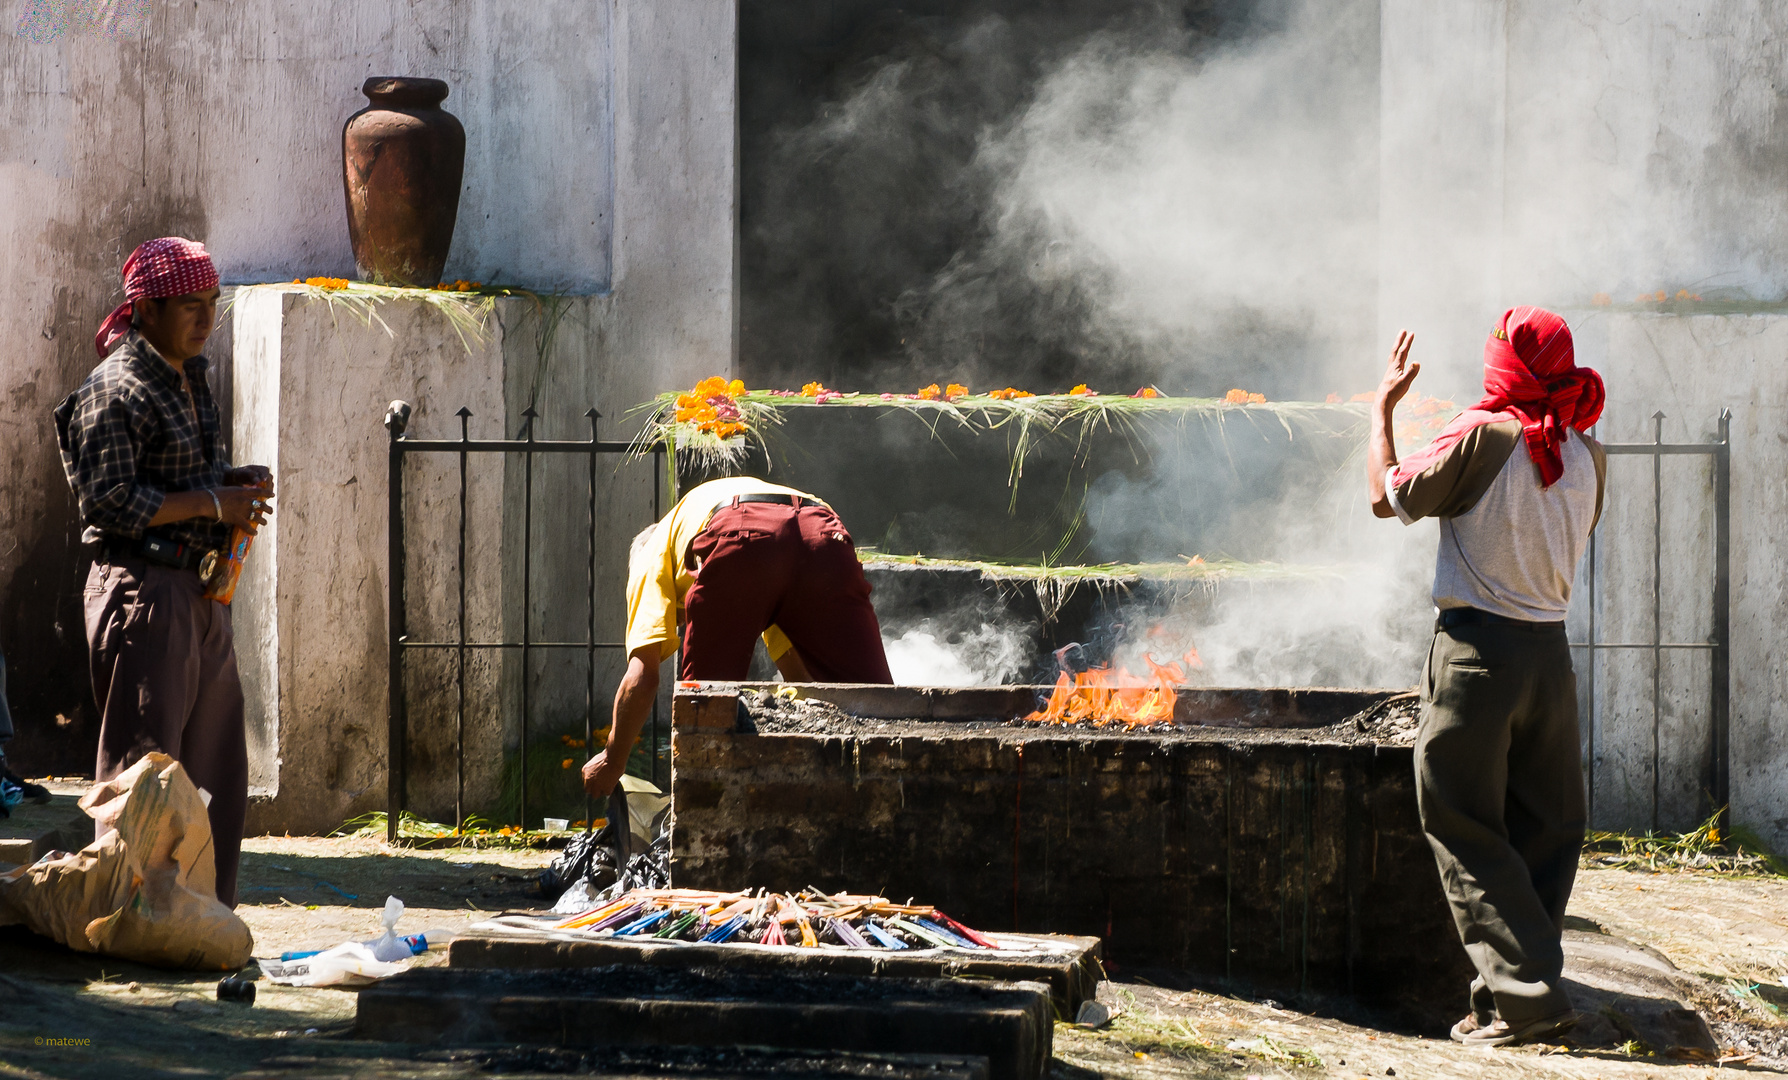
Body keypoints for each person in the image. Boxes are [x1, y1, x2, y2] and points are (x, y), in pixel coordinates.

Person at [1367, 308, 1606, 1047]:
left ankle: (1528, 1000)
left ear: (1510, 365)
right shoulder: (1589, 450)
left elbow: (1386, 497)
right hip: (1551, 660)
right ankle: (1508, 1000)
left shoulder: (1483, 433)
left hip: (1476, 657)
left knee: (1464, 823)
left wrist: (1381, 409)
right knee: (1546, 827)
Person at [53, 237, 274, 907]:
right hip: (145, 595)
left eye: (212, 304)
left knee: (217, 772)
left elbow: (180, 478)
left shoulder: (190, 375)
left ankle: (206, 917)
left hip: (200, 595)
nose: (205, 319)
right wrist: (213, 501)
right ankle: (129, 916)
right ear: (145, 308)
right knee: (143, 773)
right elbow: (109, 503)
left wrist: (230, 486)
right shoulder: (113, 388)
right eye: (189, 305)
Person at [582, 476, 892, 799]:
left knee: (703, 712)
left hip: (740, 530)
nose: (682, 621)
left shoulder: (649, 555)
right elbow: (803, 678)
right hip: (825, 531)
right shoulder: (756, 564)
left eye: (677, 614)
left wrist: (612, 761)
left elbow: (642, 677)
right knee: (882, 705)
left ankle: (701, 823)